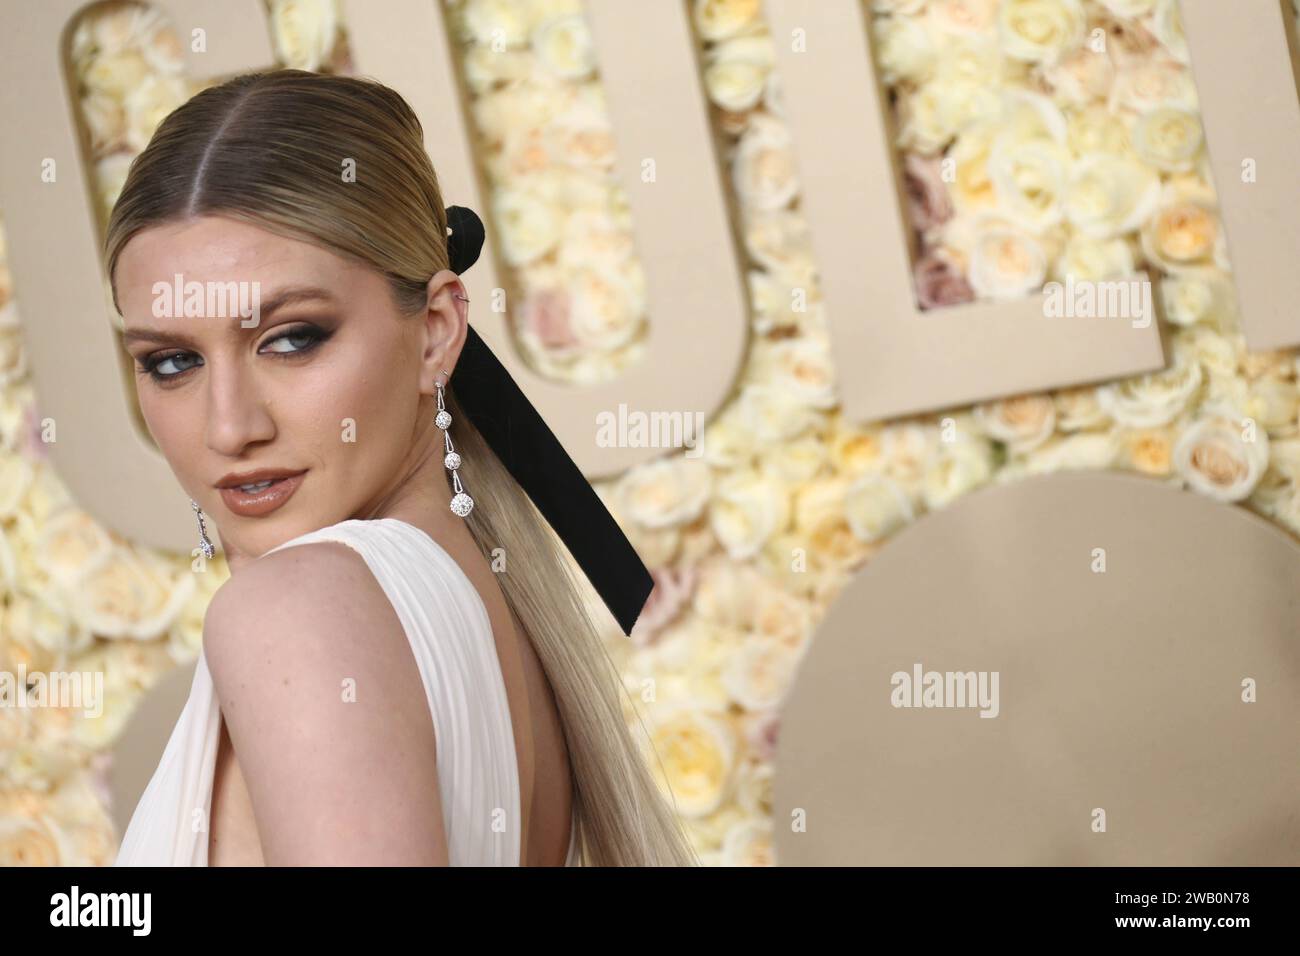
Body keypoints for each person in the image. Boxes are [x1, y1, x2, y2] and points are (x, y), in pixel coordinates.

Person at [106, 68, 697, 866]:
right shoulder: (501, 613)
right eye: (173, 361)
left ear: (435, 332)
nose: (229, 426)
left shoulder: (297, 612)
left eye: (291, 338)